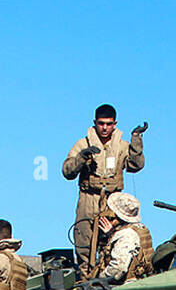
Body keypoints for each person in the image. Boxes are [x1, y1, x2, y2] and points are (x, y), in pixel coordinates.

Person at [62, 104, 147, 266]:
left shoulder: (122, 146)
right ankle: (85, 279)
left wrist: (136, 139)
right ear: (95, 122)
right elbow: (67, 172)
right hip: (88, 198)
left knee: (113, 239)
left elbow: (136, 166)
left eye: (109, 124)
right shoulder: (82, 144)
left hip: (113, 202)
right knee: (83, 241)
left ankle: (109, 277)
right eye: (101, 123)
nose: (105, 128)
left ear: (115, 124)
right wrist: (81, 158)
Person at [93, 194, 154, 285]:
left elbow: (118, 268)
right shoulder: (138, 228)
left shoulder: (126, 235)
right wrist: (112, 233)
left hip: (128, 284)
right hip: (142, 281)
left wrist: (98, 279)